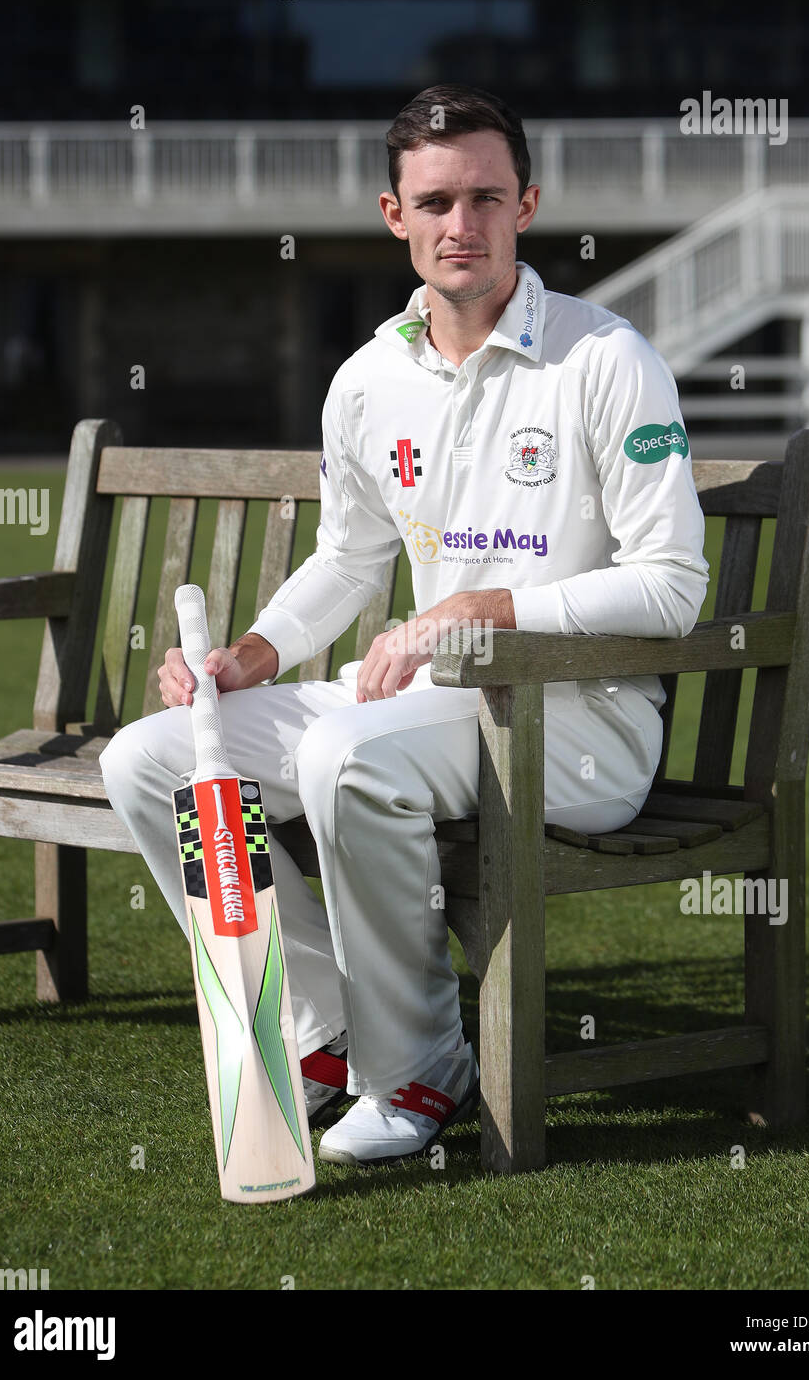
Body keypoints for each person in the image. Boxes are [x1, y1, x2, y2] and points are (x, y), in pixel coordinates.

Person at [100, 84, 709, 1169]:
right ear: (396, 215)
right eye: (435, 202)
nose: (460, 225)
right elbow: (346, 561)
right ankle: (325, 1028)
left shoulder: (605, 357)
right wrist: (249, 655)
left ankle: (423, 1065)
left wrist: (484, 607)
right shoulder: (369, 378)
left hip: (577, 724)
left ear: (528, 203)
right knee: (148, 760)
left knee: (345, 750)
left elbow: (671, 588)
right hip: (430, 714)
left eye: (485, 197)